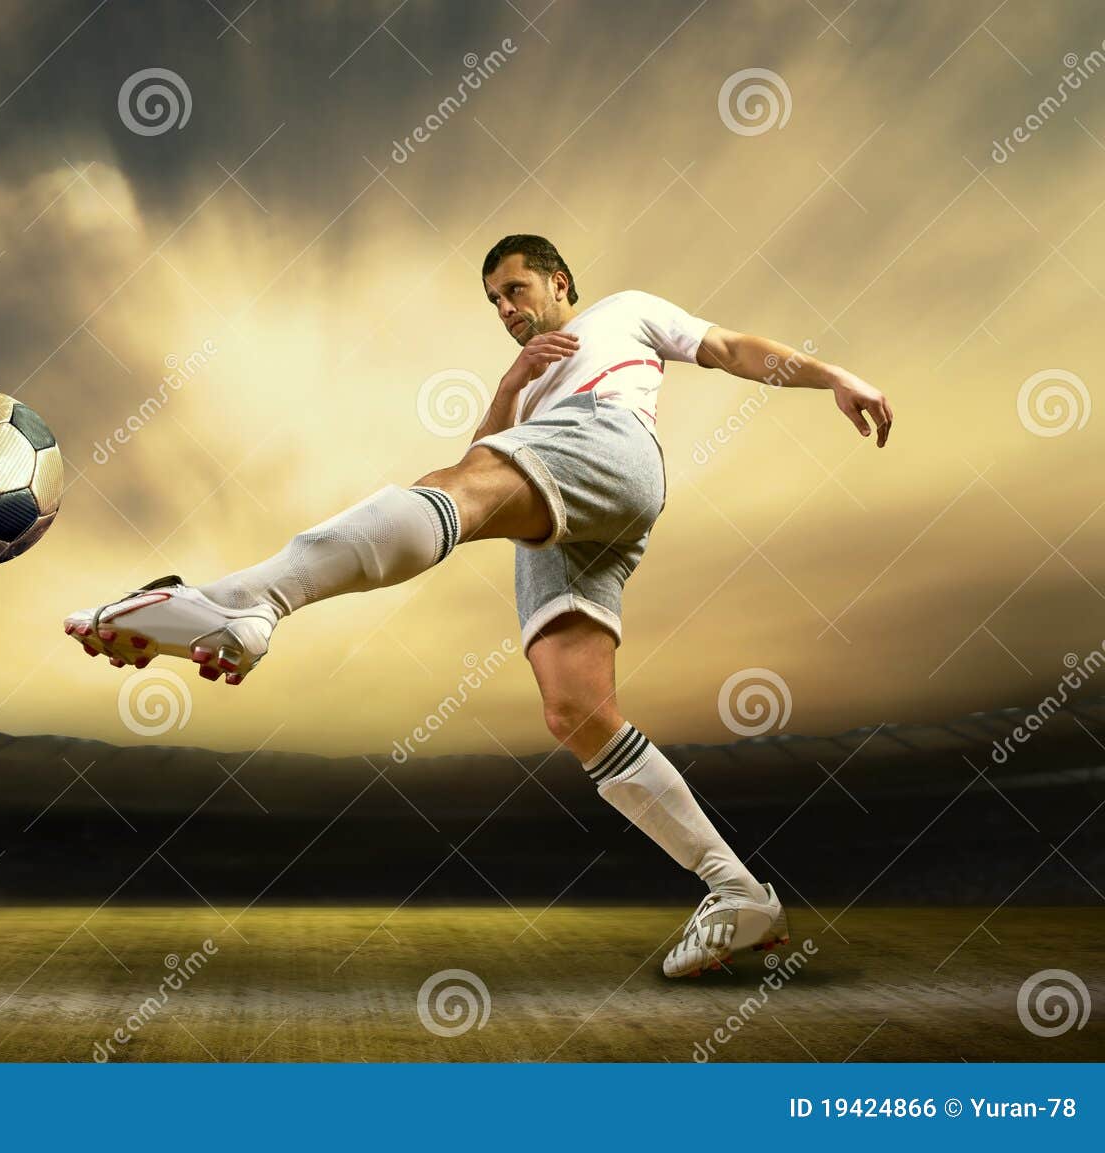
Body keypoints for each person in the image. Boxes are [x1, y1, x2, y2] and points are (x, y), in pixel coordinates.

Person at [64, 233, 894, 977]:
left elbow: (725, 346)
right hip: (562, 518)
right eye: (494, 300)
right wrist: (513, 382)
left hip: (605, 441)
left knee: (449, 493)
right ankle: (737, 890)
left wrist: (831, 375)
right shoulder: (525, 392)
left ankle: (245, 601)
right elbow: (479, 463)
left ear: (560, 281)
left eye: (516, 289)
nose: (504, 308)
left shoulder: (624, 313)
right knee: (576, 710)